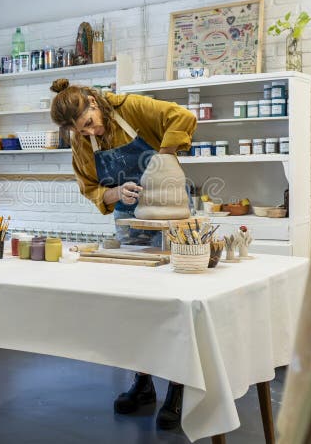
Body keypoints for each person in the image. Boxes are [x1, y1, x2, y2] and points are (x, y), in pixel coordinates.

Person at [49, 78, 196, 430]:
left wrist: (163, 163)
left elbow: (183, 117)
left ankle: (178, 389)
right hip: (129, 222)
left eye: (89, 123)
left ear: (92, 101)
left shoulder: (130, 107)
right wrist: (115, 193)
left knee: (174, 303)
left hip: (169, 215)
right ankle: (143, 383)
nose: (89, 132)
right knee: (137, 304)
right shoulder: (80, 141)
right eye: (80, 131)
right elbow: (90, 186)